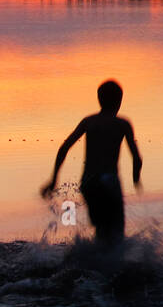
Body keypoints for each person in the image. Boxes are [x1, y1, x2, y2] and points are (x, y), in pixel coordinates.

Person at [41, 79, 142, 245]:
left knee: (100, 227)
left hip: (89, 181)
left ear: (99, 99)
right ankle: (111, 265)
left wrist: (53, 179)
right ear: (119, 101)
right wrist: (136, 177)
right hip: (109, 180)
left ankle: (89, 261)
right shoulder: (122, 124)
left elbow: (64, 148)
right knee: (116, 231)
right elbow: (136, 158)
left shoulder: (89, 122)